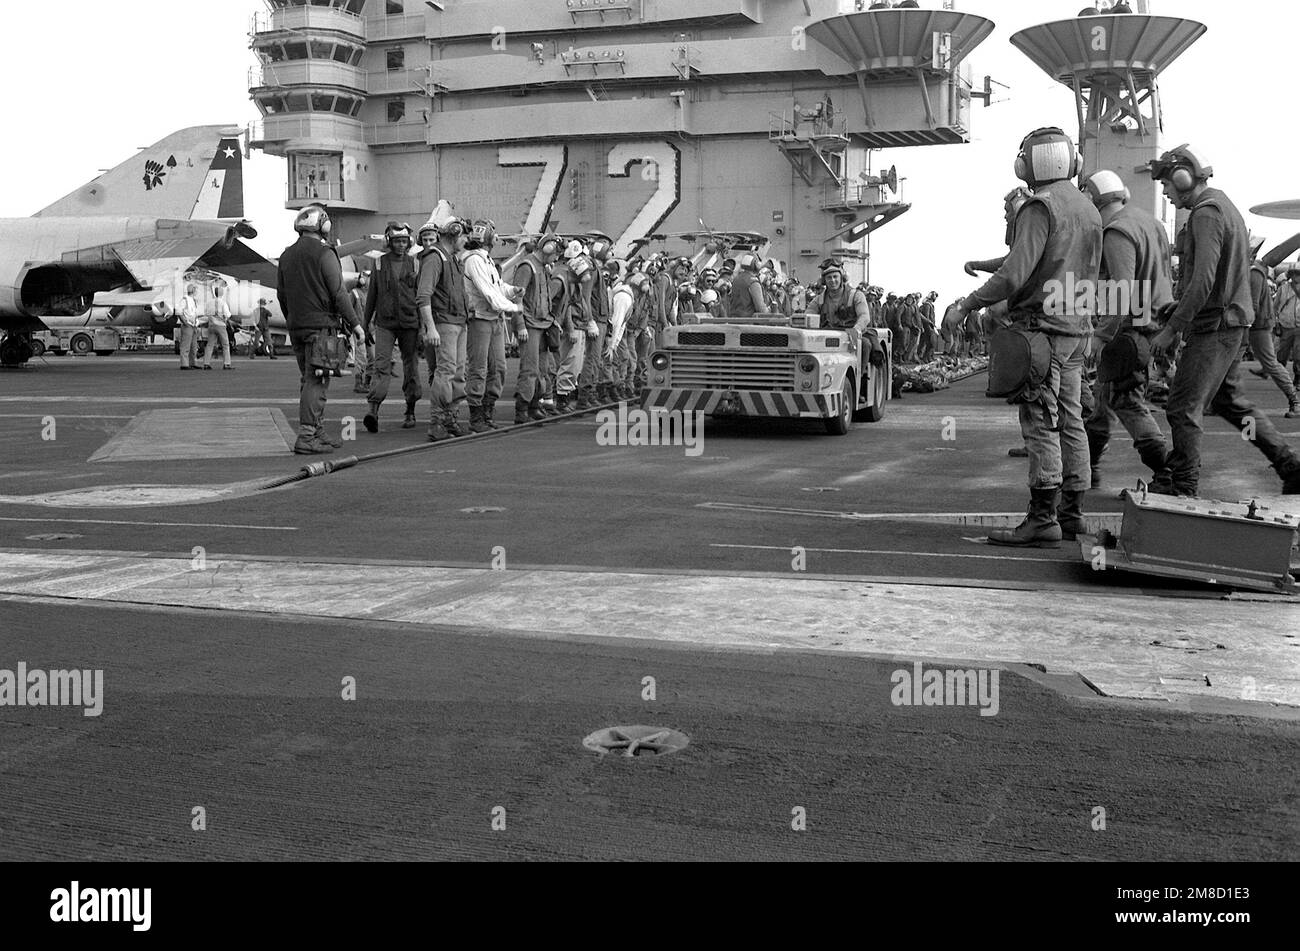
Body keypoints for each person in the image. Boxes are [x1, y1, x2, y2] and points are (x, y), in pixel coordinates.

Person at [957, 127, 1102, 547]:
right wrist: (985, 264)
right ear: (1070, 161)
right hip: (1077, 330)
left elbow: (1017, 273)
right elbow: (1039, 257)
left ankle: (1042, 519)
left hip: (1045, 333)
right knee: (1072, 419)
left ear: (1028, 164)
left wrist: (967, 304)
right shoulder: (1087, 208)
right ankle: (1072, 514)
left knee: (1041, 422)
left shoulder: (1039, 207)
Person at [1147, 145, 1300, 496]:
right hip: (1229, 323)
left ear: (1184, 177)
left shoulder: (1205, 213)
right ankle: (1288, 464)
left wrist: (1172, 330)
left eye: (1167, 184)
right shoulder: (1222, 205)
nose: (1166, 193)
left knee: (1183, 407)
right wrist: (1181, 308)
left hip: (1215, 328)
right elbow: (1214, 279)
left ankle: (1183, 483)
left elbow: (1203, 280)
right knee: (1230, 405)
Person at [1078, 169, 1171, 489]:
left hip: (1130, 330)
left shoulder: (1116, 232)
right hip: (1153, 324)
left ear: (1091, 199)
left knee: (1126, 402)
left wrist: (1102, 336)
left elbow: (1121, 291)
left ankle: (1166, 472)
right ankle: (1086, 471)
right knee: (1103, 402)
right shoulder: (1150, 222)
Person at [276, 203, 365, 455]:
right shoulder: (326, 253)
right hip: (321, 326)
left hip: (297, 326)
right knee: (318, 380)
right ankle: (307, 436)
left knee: (308, 379)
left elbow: (282, 295)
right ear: (323, 225)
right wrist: (356, 324)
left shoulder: (286, 255)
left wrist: (293, 319)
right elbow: (338, 292)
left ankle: (316, 430)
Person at [461, 219, 523, 433]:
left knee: (498, 368)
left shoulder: (485, 260)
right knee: (479, 368)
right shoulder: (475, 261)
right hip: (480, 319)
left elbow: (497, 288)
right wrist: (514, 308)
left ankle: (487, 410)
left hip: (493, 318)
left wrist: (512, 290)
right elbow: (489, 294)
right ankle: (476, 415)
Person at [417, 214, 472, 442]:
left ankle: (450, 417)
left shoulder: (453, 258)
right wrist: (430, 328)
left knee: (458, 373)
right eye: (464, 236)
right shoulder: (435, 257)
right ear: (455, 232)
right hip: (445, 323)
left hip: (458, 322)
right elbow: (423, 295)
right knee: (445, 371)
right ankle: (437, 421)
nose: (465, 241)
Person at [363, 222, 422, 433]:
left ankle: (410, 410)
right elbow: (372, 296)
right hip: (385, 323)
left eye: (404, 241)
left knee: (411, 367)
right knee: (381, 366)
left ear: (409, 242)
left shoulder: (415, 264)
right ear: (389, 242)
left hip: (410, 323)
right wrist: (365, 324)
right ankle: (373, 411)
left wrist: (423, 328)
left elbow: (422, 298)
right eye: (396, 241)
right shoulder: (379, 264)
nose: (400, 245)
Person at [1244, 239, 1300, 418]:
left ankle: (1294, 400)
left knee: (1273, 362)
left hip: (1256, 325)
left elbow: (1251, 305)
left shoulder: (1253, 273)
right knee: (1274, 360)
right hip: (1259, 323)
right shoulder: (1255, 271)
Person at [513, 234, 563, 423]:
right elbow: (517, 297)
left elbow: (545, 297)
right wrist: (520, 326)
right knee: (530, 368)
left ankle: (535, 404)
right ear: (547, 248)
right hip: (530, 325)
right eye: (555, 253)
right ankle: (522, 408)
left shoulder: (542, 268)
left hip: (543, 324)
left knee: (543, 368)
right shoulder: (528, 267)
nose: (556, 257)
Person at [203, 284, 234, 371]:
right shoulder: (223, 303)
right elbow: (228, 314)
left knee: (209, 345)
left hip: (211, 325)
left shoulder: (209, 302)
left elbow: (206, 312)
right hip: (221, 325)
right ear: (222, 293)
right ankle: (226, 364)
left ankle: (206, 363)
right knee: (225, 345)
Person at [727, 254, 766, 320]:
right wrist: (769, 310)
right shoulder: (754, 283)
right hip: (749, 323)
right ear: (756, 265)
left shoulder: (736, 279)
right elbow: (761, 309)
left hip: (734, 321)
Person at [178, 285, 199, 370]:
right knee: (185, 345)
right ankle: (184, 364)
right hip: (188, 325)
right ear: (193, 290)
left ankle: (192, 363)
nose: (197, 292)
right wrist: (185, 322)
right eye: (196, 290)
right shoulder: (185, 300)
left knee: (193, 346)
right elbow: (179, 312)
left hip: (193, 325)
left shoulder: (193, 300)